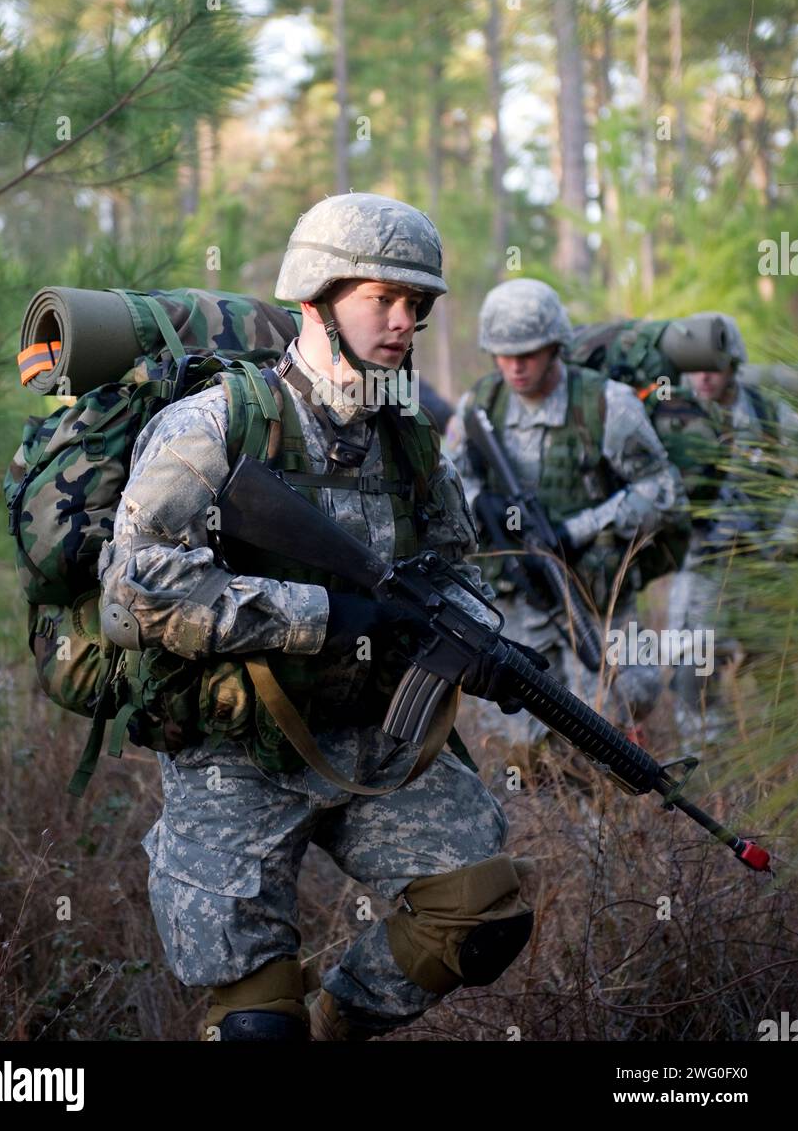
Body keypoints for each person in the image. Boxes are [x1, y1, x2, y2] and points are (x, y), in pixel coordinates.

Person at [98, 194, 543, 1042]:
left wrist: (479, 648)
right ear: (316, 297)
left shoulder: (410, 443)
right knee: (256, 1028)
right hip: (237, 751)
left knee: (483, 917)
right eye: (383, 299)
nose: (404, 322)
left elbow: (448, 575)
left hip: (372, 735)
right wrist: (324, 615)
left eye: (418, 306)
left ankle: (334, 1021)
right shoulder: (216, 425)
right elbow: (135, 590)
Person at [446, 278, 687, 767]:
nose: (515, 366)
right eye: (503, 353)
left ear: (556, 345)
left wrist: (579, 529)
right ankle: (553, 814)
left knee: (619, 708)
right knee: (521, 739)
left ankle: (612, 824)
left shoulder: (606, 404)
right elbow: (446, 486)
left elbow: (663, 491)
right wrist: (481, 504)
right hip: (515, 598)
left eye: (529, 353)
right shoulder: (480, 406)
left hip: (592, 594)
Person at [667, 313, 798, 746]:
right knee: (692, 667)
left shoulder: (768, 414)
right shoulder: (675, 415)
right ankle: (704, 760)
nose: (703, 378)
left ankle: (780, 759)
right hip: (704, 561)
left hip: (764, 561)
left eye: (713, 368)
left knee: (779, 669)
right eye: (695, 369)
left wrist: (784, 536)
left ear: (732, 366)